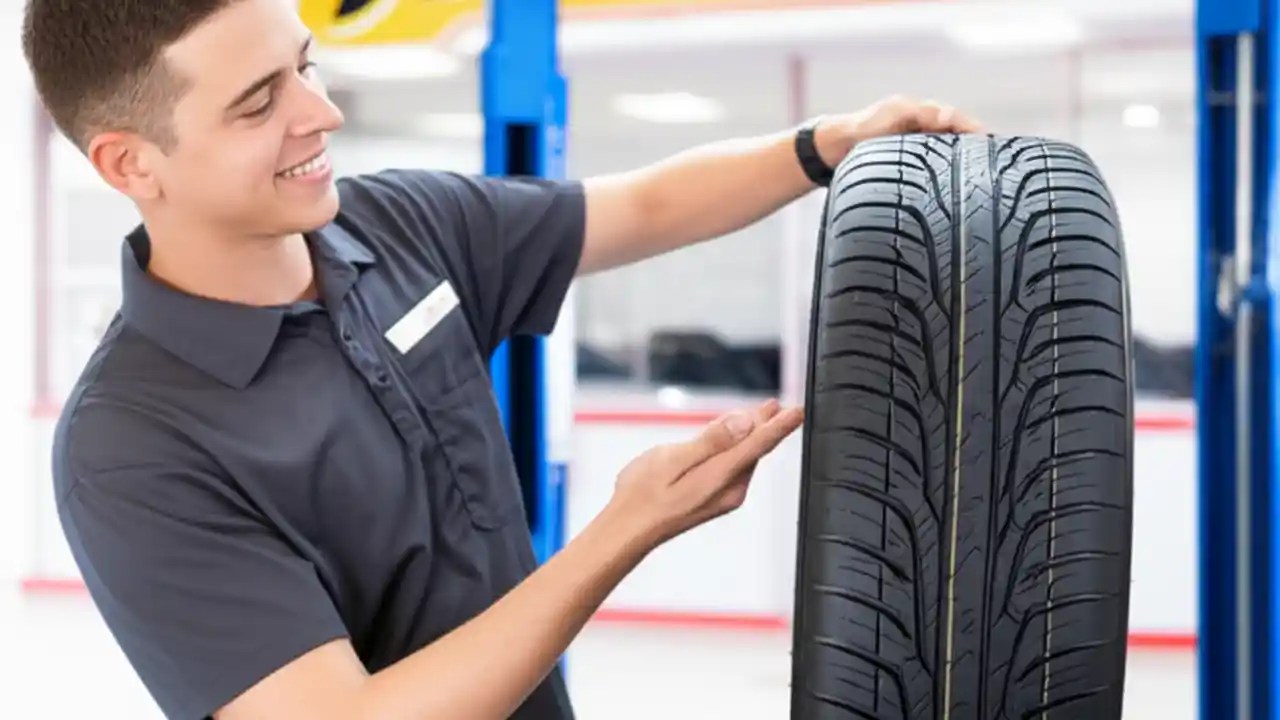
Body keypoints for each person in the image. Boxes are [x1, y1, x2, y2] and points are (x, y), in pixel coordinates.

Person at [22, 0, 981, 718]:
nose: (321, 114)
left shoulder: (397, 225)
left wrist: (826, 147)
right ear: (129, 165)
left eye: (305, 67)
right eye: (258, 102)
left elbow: (638, 206)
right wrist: (625, 530)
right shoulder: (131, 447)